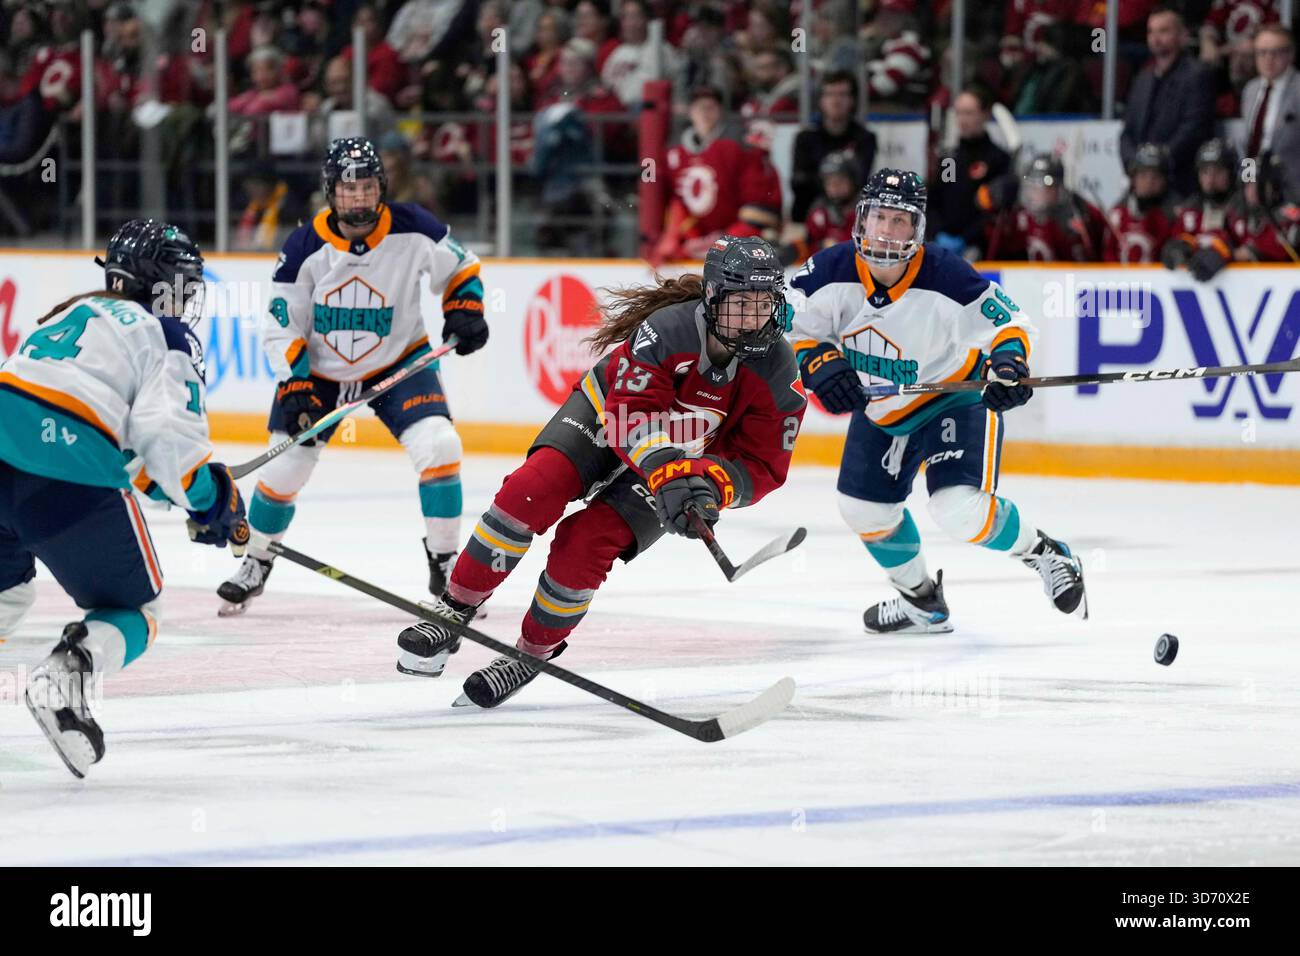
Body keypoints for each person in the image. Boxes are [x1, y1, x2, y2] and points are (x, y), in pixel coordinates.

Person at [394, 236, 806, 708]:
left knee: (585, 546)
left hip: (678, 459)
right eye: (741, 305)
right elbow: (629, 414)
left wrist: (711, 485)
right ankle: (454, 609)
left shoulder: (778, 370)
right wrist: (668, 473)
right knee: (533, 491)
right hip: (604, 416)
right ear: (712, 298)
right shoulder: (669, 330)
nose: (754, 320)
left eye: (763, 305)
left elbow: (764, 463)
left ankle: (531, 654)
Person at [788, 169, 1087, 634]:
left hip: (953, 398)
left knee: (957, 510)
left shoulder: (946, 276)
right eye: (878, 218)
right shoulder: (828, 270)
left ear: (918, 228)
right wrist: (819, 362)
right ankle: (921, 601)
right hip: (883, 408)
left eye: (899, 221)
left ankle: (1044, 553)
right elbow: (794, 327)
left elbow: (1011, 325)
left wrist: (1008, 367)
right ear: (862, 220)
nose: (886, 231)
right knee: (861, 508)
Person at [0, 219, 247, 777]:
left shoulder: (69, 311)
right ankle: (65, 682)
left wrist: (180, 490)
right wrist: (210, 503)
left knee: (8, 594)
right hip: (60, 472)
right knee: (138, 610)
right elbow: (167, 440)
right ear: (160, 283)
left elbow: (130, 447)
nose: (186, 298)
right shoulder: (166, 334)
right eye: (182, 284)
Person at [217, 138, 489, 629]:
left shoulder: (414, 227)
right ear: (330, 193)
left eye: (367, 188)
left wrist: (464, 308)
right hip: (319, 374)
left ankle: (446, 566)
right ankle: (257, 558)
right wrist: (297, 383)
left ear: (381, 188)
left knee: (441, 445)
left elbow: (463, 265)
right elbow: (281, 323)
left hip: (399, 363)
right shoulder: (304, 247)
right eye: (348, 189)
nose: (359, 199)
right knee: (285, 470)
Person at [1120, 7, 1216, 197]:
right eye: (1151, 31)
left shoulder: (1198, 75)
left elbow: (1194, 128)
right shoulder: (1143, 78)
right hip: (1141, 183)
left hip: (1180, 184)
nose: (1155, 38)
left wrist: (1157, 163)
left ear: (1183, 35)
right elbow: (1127, 131)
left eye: (1163, 31)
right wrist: (1138, 165)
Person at [789, 71, 877, 224]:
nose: (836, 101)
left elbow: (859, 182)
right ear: (821, 100)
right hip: (807, 215)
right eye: (829, 94)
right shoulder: (805, 138)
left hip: (850, 217)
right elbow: (800, 183)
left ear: (853, 100)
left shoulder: (865, 138)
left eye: (842, 94)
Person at [988, 152, 1106, 261]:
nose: (1038, 193)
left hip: (1063, 281)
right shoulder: (1018, 218)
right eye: (1033, 186)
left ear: (1058, 189)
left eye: (1046, 187)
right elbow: (995, 254)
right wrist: (994, 210)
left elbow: (1090, 261)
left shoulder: (1074, 218)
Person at [1162, 137, 1242, 281]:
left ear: (1231, 173)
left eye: (1218, 172)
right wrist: (1178, 246)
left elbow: (1256, 247)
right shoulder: (1190, 208)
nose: (1210, 180)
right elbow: (1178, 236)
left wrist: (1227, 252)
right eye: (1205, 172)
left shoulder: (1242, 207)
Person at [1104, 142, 1178, 263]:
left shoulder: (1172, 215)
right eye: (1143, 175)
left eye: (1155, 176)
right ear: (1133, 179)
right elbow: (1108, 254)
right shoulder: (1118, 213)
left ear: (1164, 181)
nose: (1149, 182)